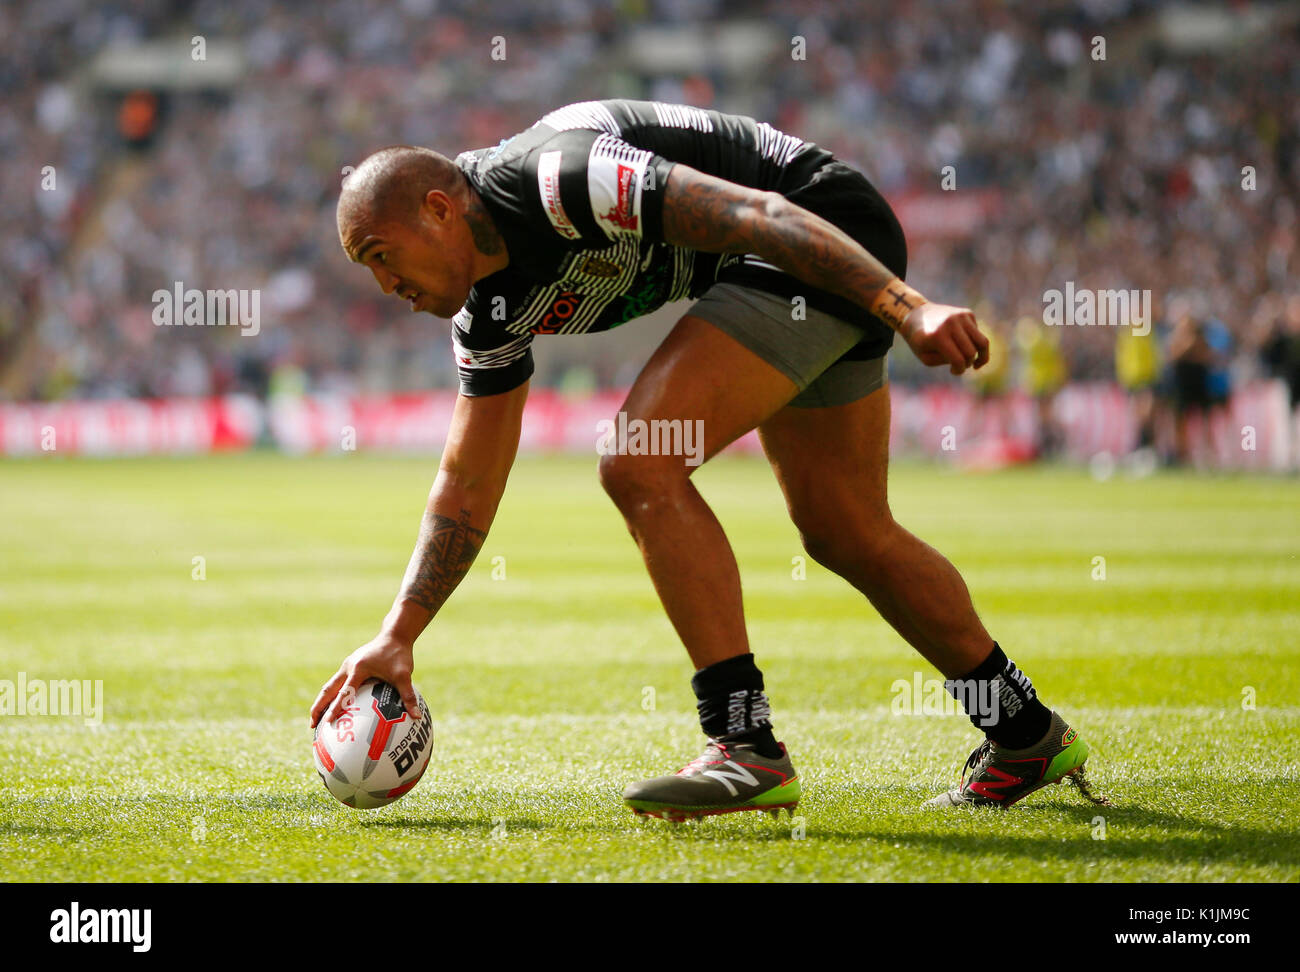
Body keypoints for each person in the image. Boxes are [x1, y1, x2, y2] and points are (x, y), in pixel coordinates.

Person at [310, 99, 1103, 818]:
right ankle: (1022, 729)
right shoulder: (486, 310)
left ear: (440, 209)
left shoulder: (561, 180)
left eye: (382, 255)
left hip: (817, 230)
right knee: (846, 530)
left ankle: (744, 745)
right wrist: (399, 632)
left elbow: (758, 212)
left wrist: (906, 305)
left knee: (636, 461)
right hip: (776, 269)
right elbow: (469, 479)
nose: (385, 286)